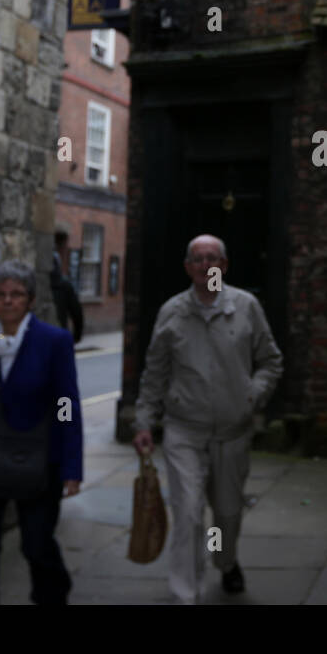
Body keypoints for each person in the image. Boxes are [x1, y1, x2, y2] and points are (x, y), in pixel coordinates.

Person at [133, 235, 283, 603]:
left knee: (227, 514)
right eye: (197, 259)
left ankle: (225, 560)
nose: (205, 265)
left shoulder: (247, 307)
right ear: (187, 267)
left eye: (212, 259)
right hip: (185, 430)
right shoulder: (171, 313)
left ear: (224, 266)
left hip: (233, 434)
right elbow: (155, 373)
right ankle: (187, 593)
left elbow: (271, 361)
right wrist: (143, 421)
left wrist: (253, 394)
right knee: (188, 513)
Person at [0, 259, 84, 605]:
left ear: (30, 300)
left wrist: (72, 467)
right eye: (1, 294)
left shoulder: (54, 342)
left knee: (36, 544)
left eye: (17, 294)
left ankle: (53, 592)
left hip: (40, 460)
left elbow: (66, 405)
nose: (8, 301)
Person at [50, 227, 84, 344]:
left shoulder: (36, 283)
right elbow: (77, 312)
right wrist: (76, 336)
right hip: (60, 335)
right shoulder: (65, 285)